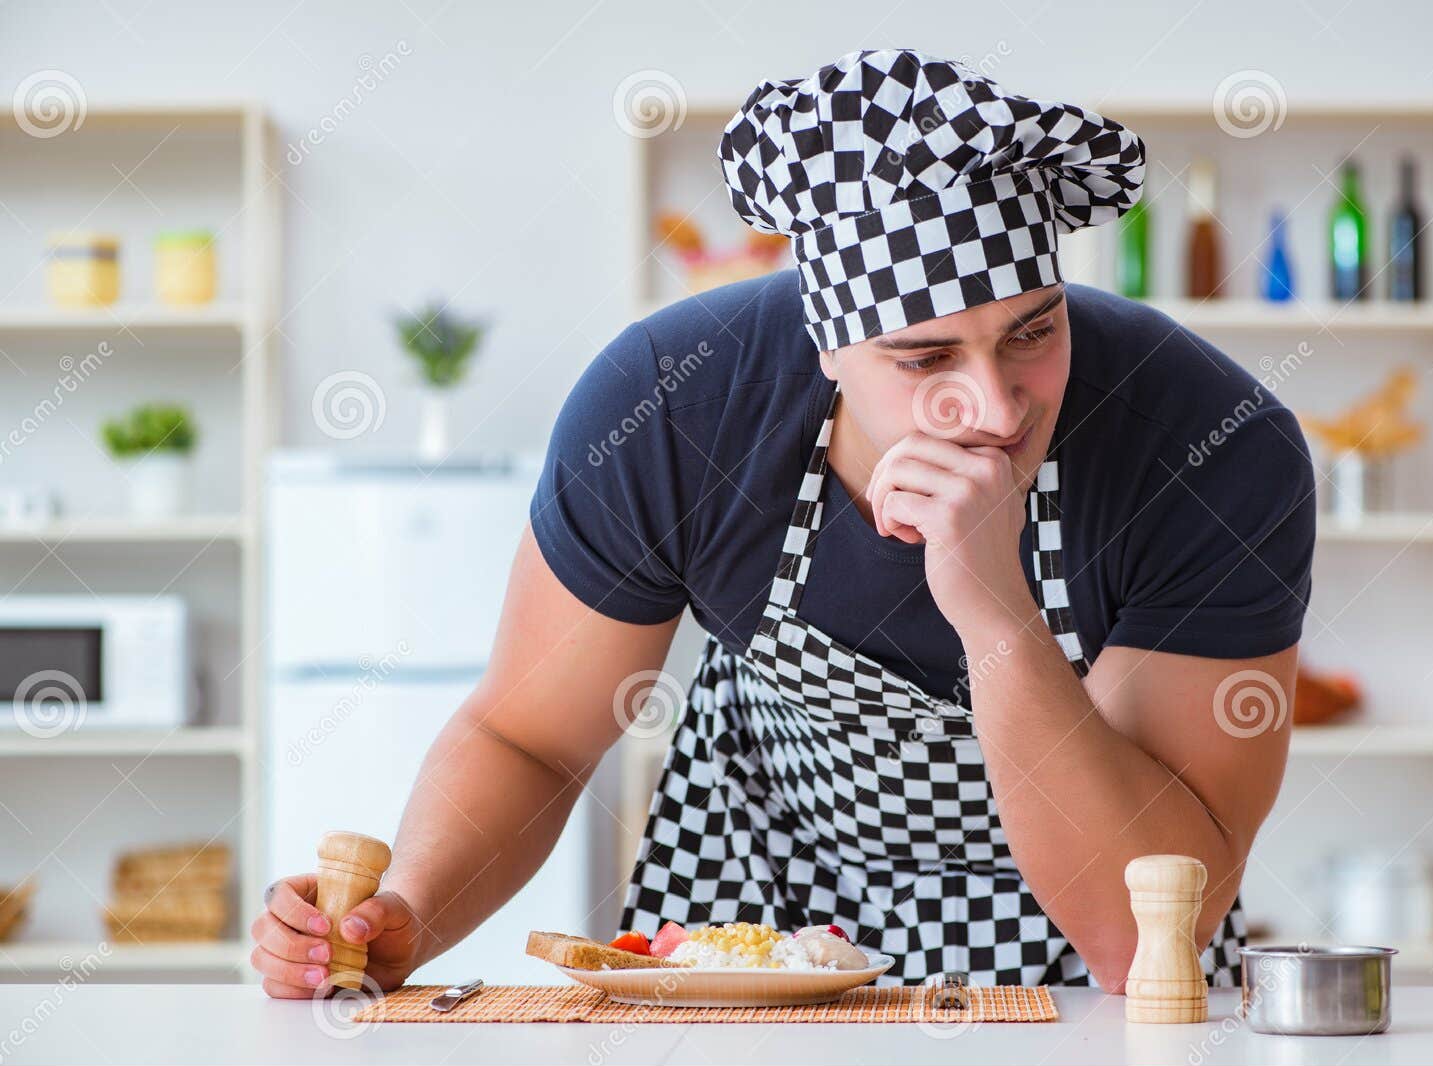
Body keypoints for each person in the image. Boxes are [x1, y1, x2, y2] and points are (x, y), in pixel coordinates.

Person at [252, 48, 1314, 995]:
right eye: (925, 358)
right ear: (826, 345)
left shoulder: (1212, 447)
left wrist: (995, 616)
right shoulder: (673, 407)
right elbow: (528, 737)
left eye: (1032, 333)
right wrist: (413, 915)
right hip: (755, 931)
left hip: (1090, 979)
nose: (993, 409)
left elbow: (1138, 938)